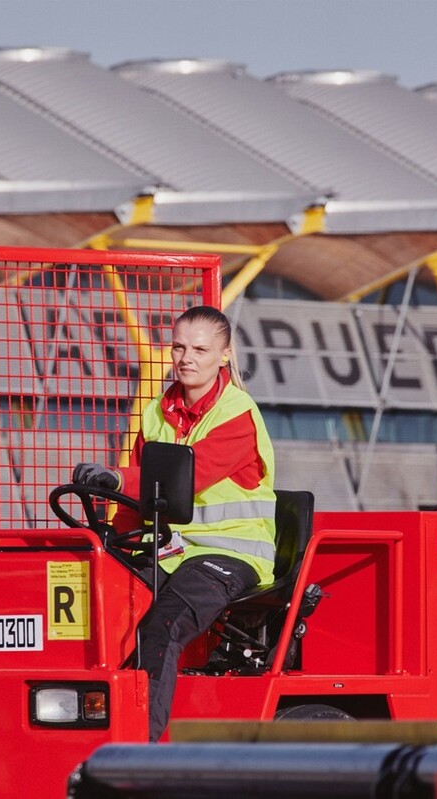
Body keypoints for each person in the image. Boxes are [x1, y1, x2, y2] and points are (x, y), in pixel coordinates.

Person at [72, 305, 276, 742]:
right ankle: (85, 730)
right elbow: (135, 503)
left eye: (199, 350)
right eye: (179, 347)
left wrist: (117, 478)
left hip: (229, 553)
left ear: (224, 355)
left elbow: (184, 478)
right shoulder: (155, 413)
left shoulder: (237, 414)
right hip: (171, 551)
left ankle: (140, 749)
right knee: (103, 610)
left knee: (162, 625)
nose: (186, 358)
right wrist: (114, 542)